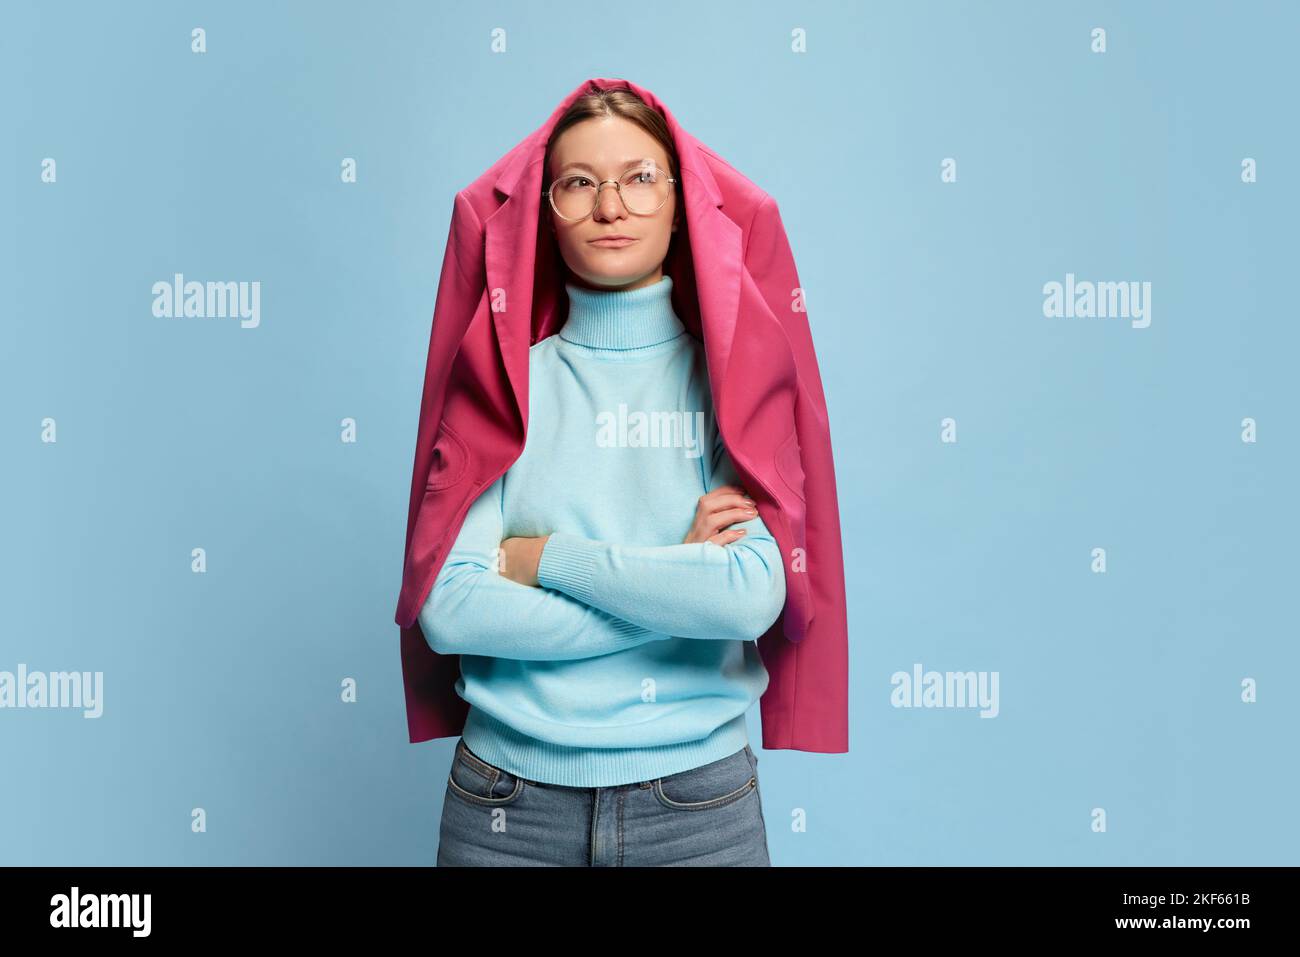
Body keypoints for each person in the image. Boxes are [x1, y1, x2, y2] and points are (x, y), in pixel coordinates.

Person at [419, 87, 783, 866]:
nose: (611, 205)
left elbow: (751, 596)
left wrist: (544, 557)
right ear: (546, 214)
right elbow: (449, 611)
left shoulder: (727, 383)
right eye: (579, 182)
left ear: (681, 206)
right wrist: (679, 577)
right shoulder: (503, 385)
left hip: (697, 810)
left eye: (640, 178)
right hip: (506, 808)